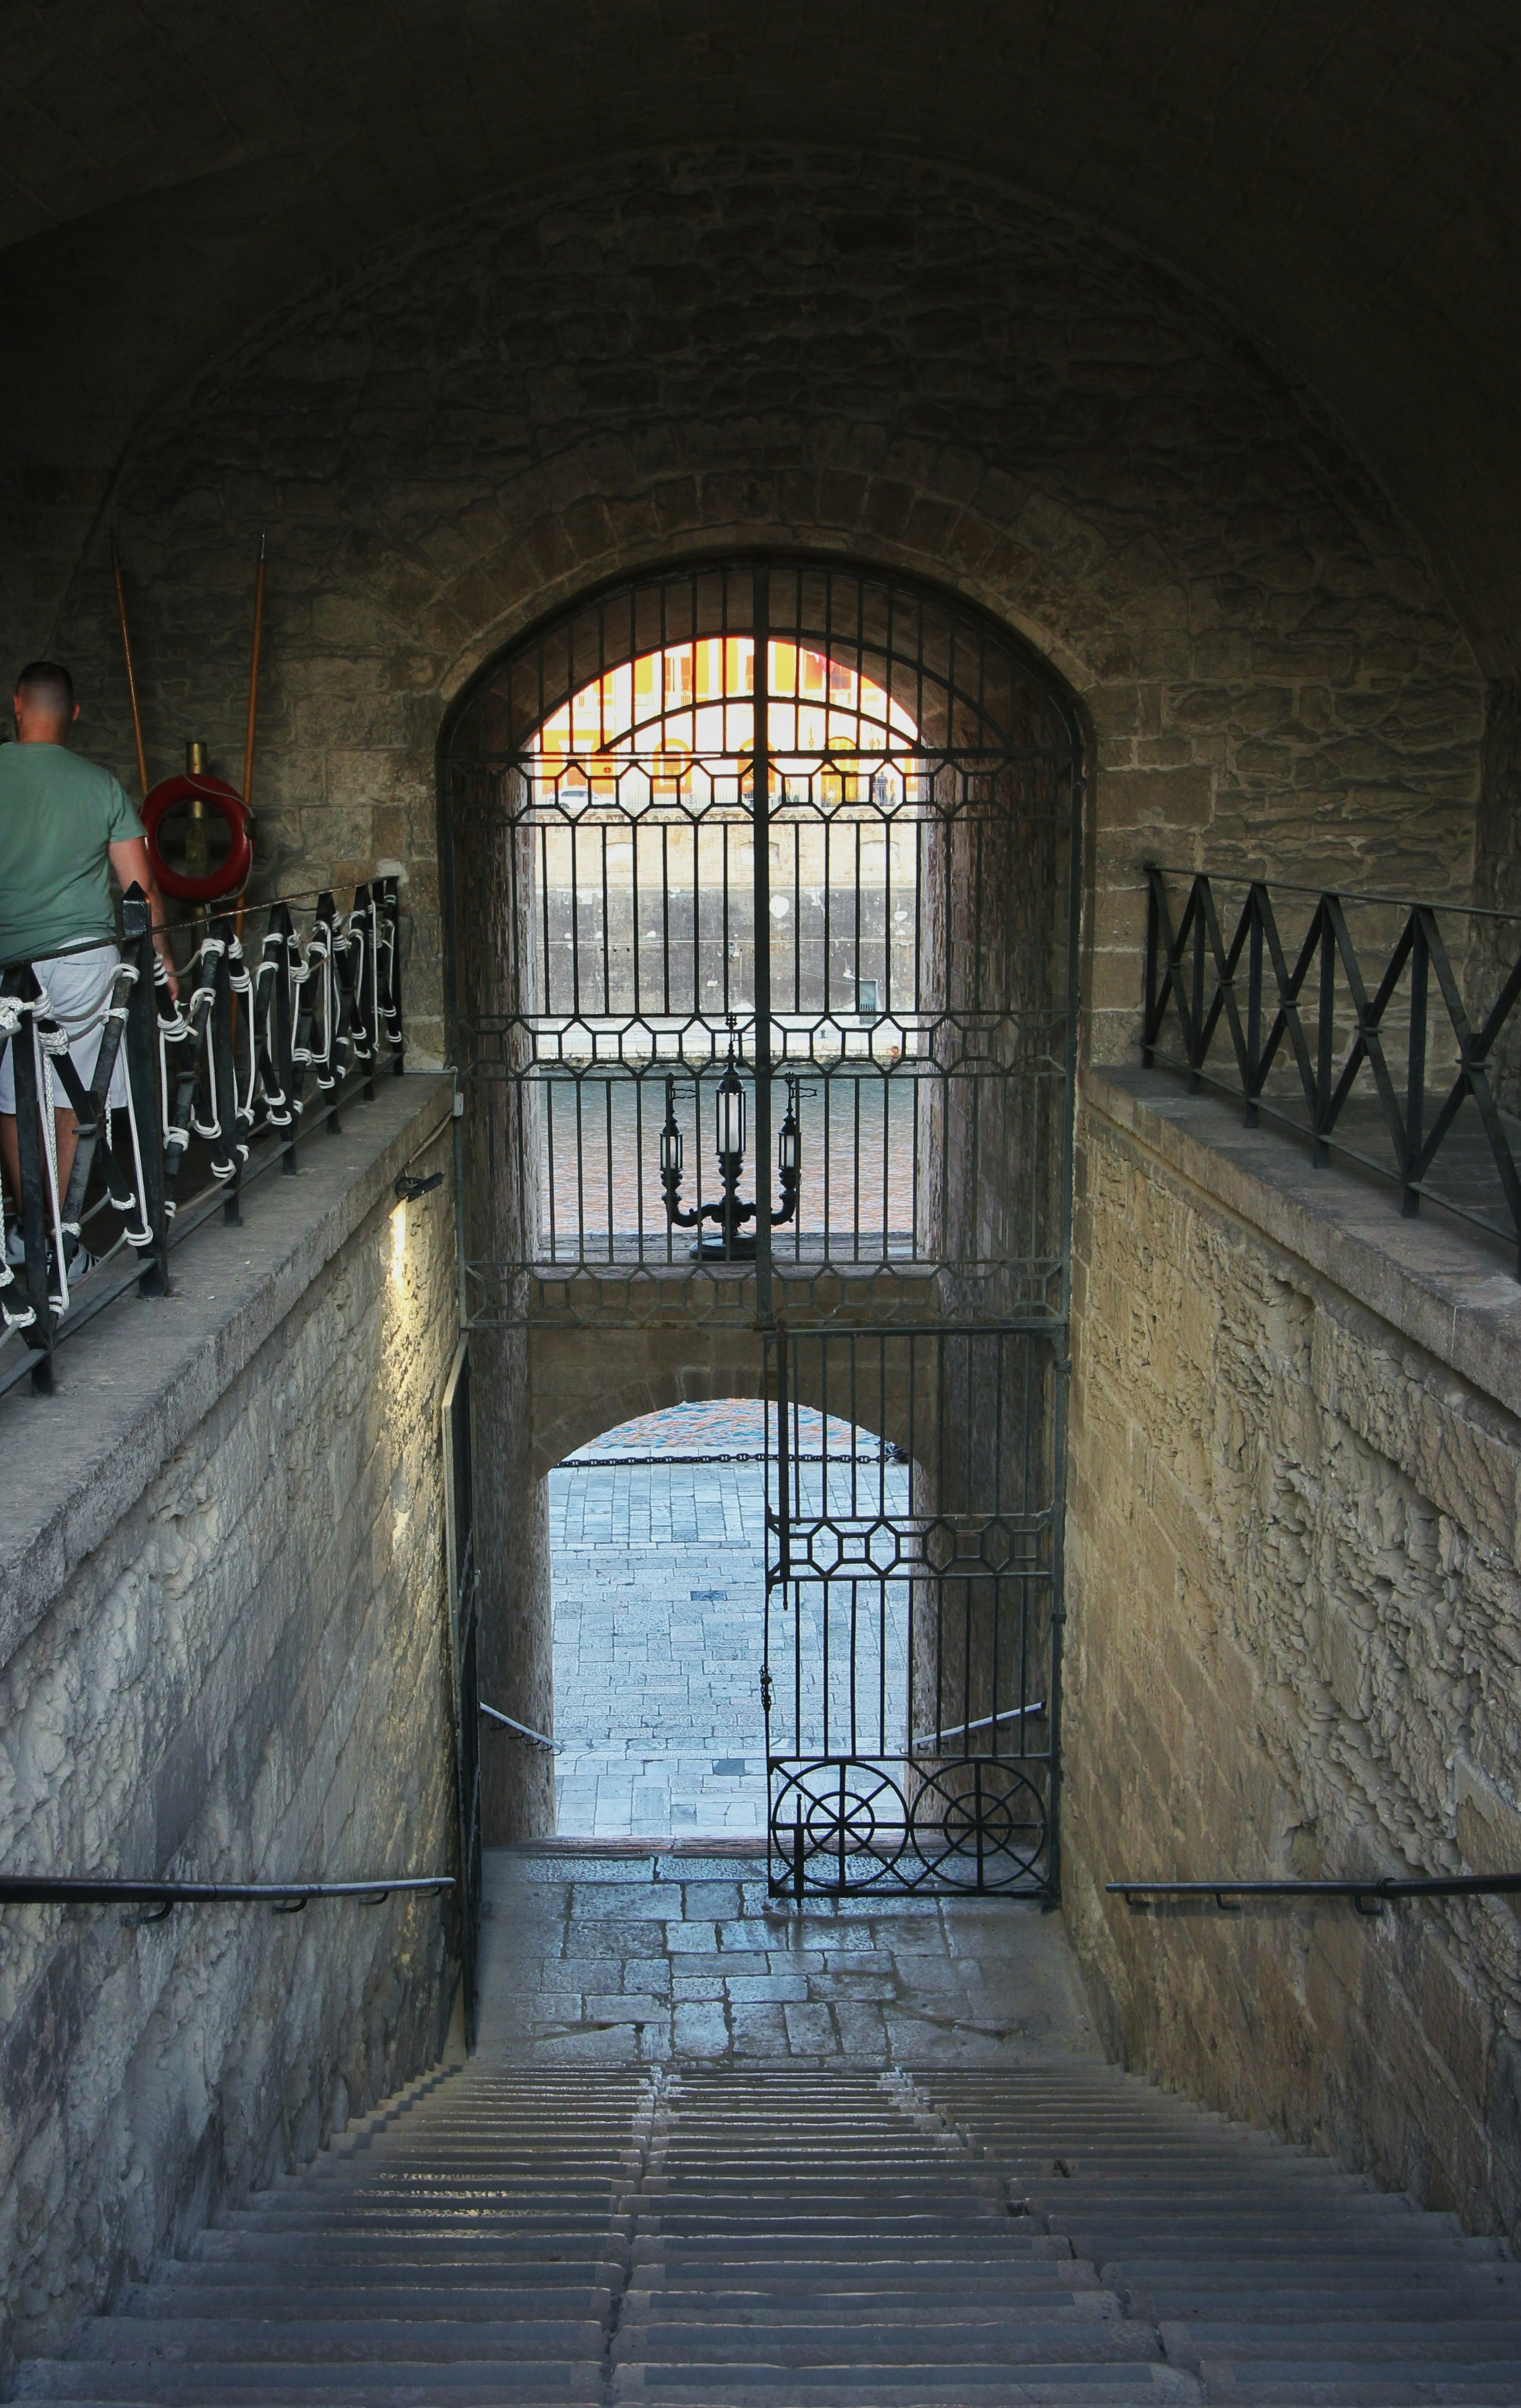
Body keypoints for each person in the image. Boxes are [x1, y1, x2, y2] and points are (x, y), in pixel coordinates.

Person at [0, 660, 178, 1273]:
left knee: (14, 1096)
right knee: (72, 1097)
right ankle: (61, 1237)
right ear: (73, 714)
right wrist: (165, 964)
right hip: (81, 961)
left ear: (18, 704)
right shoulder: (100, 785)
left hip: (7, 962)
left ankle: (30, 1233)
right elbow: (141, 890)